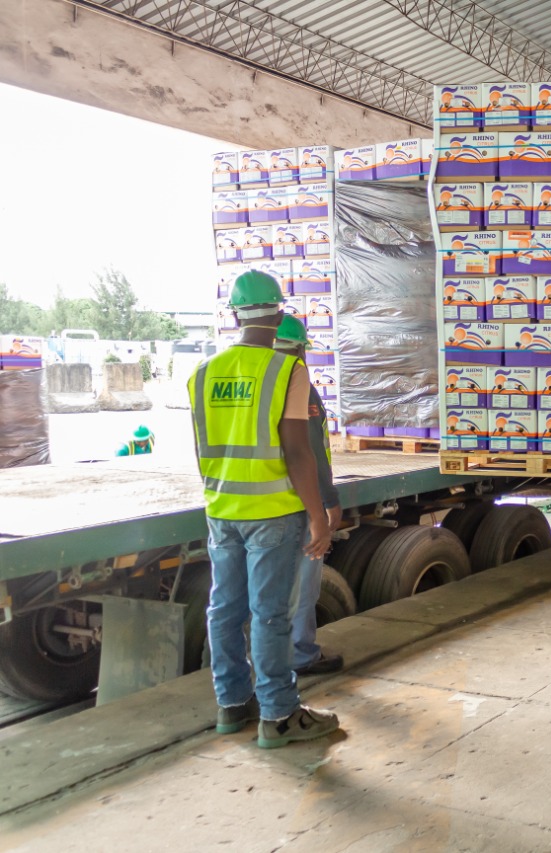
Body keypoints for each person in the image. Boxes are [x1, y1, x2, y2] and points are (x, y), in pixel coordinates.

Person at [189, 270, 339, 749]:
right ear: (279, 313)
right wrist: (319, 515)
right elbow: (298, 451)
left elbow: (203, 448)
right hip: (273, 512)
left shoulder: (201, 374)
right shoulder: (287, 371)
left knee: (224, 609)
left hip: (221, 511)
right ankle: (278, 714)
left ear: (233, 314)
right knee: (270, 616)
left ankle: (232, 703)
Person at [274, 315, 345, 677]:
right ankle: (301, 655)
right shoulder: (298, 382)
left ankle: (270, 656)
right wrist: (327, 501)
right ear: (299, 348)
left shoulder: (255, 381)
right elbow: (311, 450)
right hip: (300, 502)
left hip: (259, 504)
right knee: (303, 584)